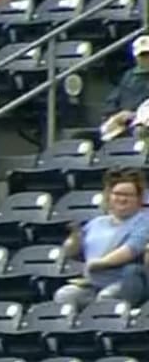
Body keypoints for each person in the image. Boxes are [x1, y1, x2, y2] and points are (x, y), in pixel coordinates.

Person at [53, 169, 149, 308]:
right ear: (109, 196)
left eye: (128, 195)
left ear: (138, 199)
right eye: (117, 194)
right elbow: (71, 252)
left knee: (106, 299)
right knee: (65, 295)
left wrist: (98, 263)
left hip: (125, 282)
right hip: (92, 283)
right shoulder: (96, 223)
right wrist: (75, 238)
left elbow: (132, 249)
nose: (122, 199)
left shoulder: (144, 222)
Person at [102, 37, 149, 141]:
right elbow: (113, 99)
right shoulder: (128, 76)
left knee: (140, 132)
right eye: (143, 55)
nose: (146, 59)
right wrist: (114, 116)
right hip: (125, 122)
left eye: (148, 55)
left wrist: (135, 115)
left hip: (143, 124)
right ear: (136, 57)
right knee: (105, 131)